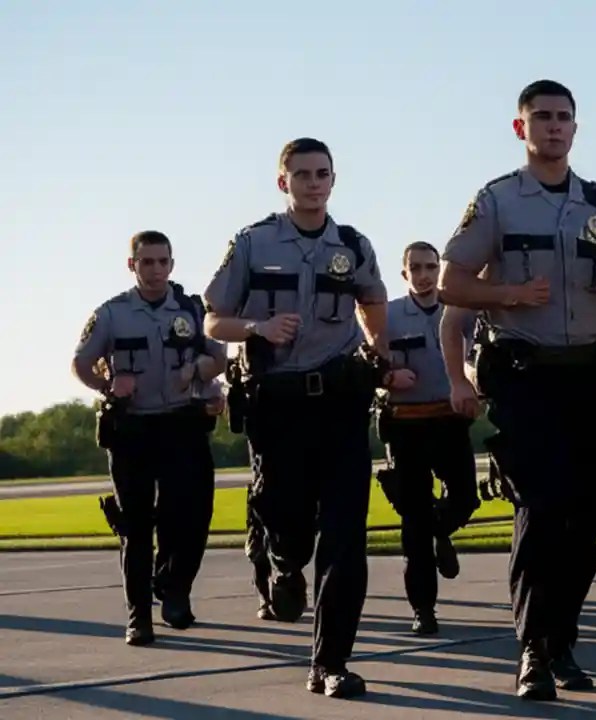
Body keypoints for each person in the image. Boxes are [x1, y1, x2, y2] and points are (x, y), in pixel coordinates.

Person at [438, 79, 596, 702]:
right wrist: (507, 294)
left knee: (586, 518)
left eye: (564, 119)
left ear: (576, 130)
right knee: (541, 505)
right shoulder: (499, 202)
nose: (554, 128)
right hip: (527, 378)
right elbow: (451, 283)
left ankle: (562, 640)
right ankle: (533, 649)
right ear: (521, 128)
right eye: (543, 118)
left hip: (590, 378)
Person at [204, 137, 396, 699]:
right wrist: (256, 329)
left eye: (323, 174)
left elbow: (373, 306)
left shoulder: (353, 244)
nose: (314, 183)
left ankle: (331, 662)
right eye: (302, 175)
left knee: (345, 538)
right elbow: (214, 318)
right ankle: (283, 562)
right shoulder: (252, 242)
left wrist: (377, 351)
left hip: (339, 403)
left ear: (334, 180)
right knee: (284, 518)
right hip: (277, 403)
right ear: (282, 182)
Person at [72, 231, 226, 646]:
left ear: (172, 264)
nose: (156, 269)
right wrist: (108, 385)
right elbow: (81, 363)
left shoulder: (193, 310)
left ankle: (174, 588)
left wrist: (200, 377)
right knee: (135, 527)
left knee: (191, 518)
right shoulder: (112, 314)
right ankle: (139, 616)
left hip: (182, 426)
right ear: (132, 265)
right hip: (133, 430)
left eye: (163, 261)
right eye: (147, 262)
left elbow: (218, 358)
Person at [375, 241, 480, 636]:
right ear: (404, 274)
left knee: (466, 498)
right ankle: (423, 608)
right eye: (415, 268)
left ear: (440, 270)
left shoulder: (461, 311)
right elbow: (366, 360)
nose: (423, 275)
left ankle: (441, 532)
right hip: (407, 423)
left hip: (449, 419)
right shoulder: (387, 317)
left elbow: (481, 352)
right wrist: (387, 377)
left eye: (430, 267)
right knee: (414, 520)